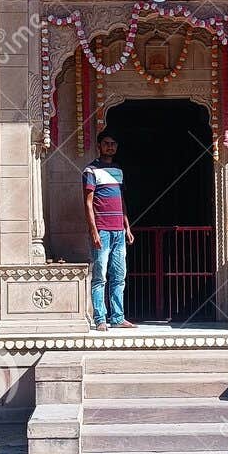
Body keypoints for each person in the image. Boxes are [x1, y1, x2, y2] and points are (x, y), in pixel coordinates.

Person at [83, 131, 135, 331]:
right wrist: (94, 231)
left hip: (118, 232)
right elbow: (88, 203)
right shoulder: (91, 171)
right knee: (100, 277)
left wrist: (126, 226)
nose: (110, 147)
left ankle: (118, 317)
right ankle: (100, 319)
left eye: (113, 143)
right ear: (99, 145)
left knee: (119, 275)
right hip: (102, 230)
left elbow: (121, 201)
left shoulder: (118, 170)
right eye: (106, 143)